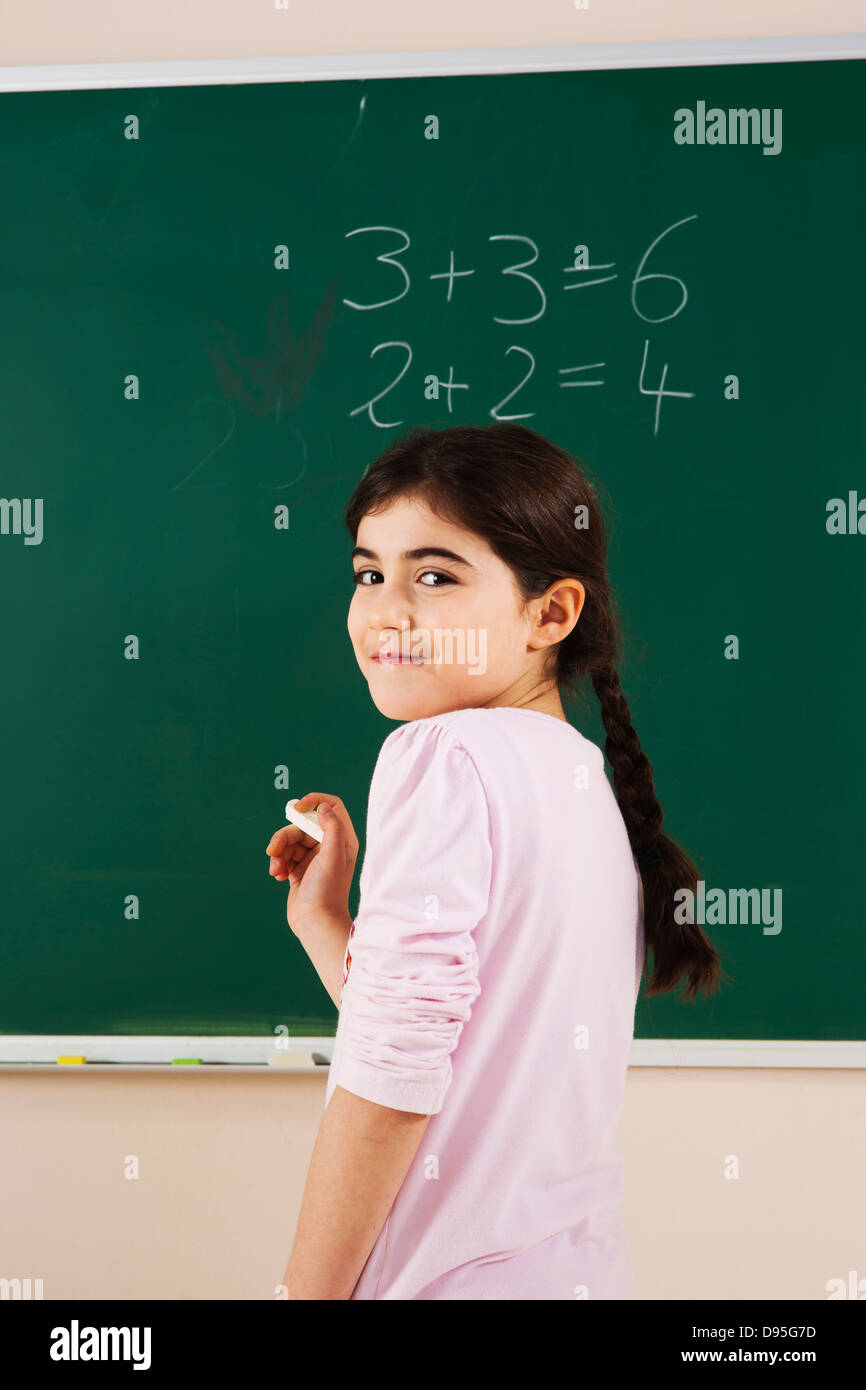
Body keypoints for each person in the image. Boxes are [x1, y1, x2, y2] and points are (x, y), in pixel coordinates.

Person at [267, 422, 724, 1299]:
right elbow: (460, 1045)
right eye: (370, 573)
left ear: (548, 613)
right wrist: (326, 926)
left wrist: (302, 1296)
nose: (386, 611)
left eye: (434, 575)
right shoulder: (584, 778)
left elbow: (392, 1080)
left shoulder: (442, 754)